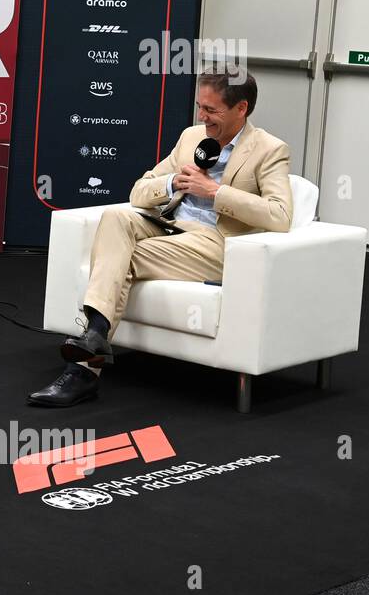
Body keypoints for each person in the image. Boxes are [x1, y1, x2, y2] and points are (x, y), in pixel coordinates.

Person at [28, 66, 293, 407]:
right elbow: (138, 192)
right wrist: (172, 184)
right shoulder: (191, 138)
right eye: (200, 107)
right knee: (115, 218)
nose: (203, 116)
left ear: (241, 108)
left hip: (214, 241)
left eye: (211, 110)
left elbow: (280, 215)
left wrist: (215, 192)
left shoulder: (269, 150)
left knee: (118, 260)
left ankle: (83, 369)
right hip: (169, 224)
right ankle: (95, 338)